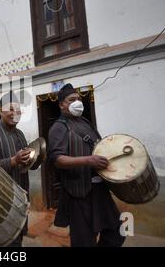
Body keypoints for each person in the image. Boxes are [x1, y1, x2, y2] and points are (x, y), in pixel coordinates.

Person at [47, 84, 125, 247]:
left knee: (117, 231)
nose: (77, 102)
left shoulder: (85, 122)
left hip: (99, 191)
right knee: (84, 241)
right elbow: (57, 159)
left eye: (78, 99)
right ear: (62, 104)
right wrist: (88, 160)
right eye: (71, 99)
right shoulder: (59, 128)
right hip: (79, 192)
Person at [0, 91, 35, 247]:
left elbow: (25, 164)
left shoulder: (20, 134)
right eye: (10, 109)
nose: (14, 113)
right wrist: (13, 161)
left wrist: (35, 159)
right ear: (0, 111)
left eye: (18, 110)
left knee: (18, 239)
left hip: (21, 201)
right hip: (2, 203)